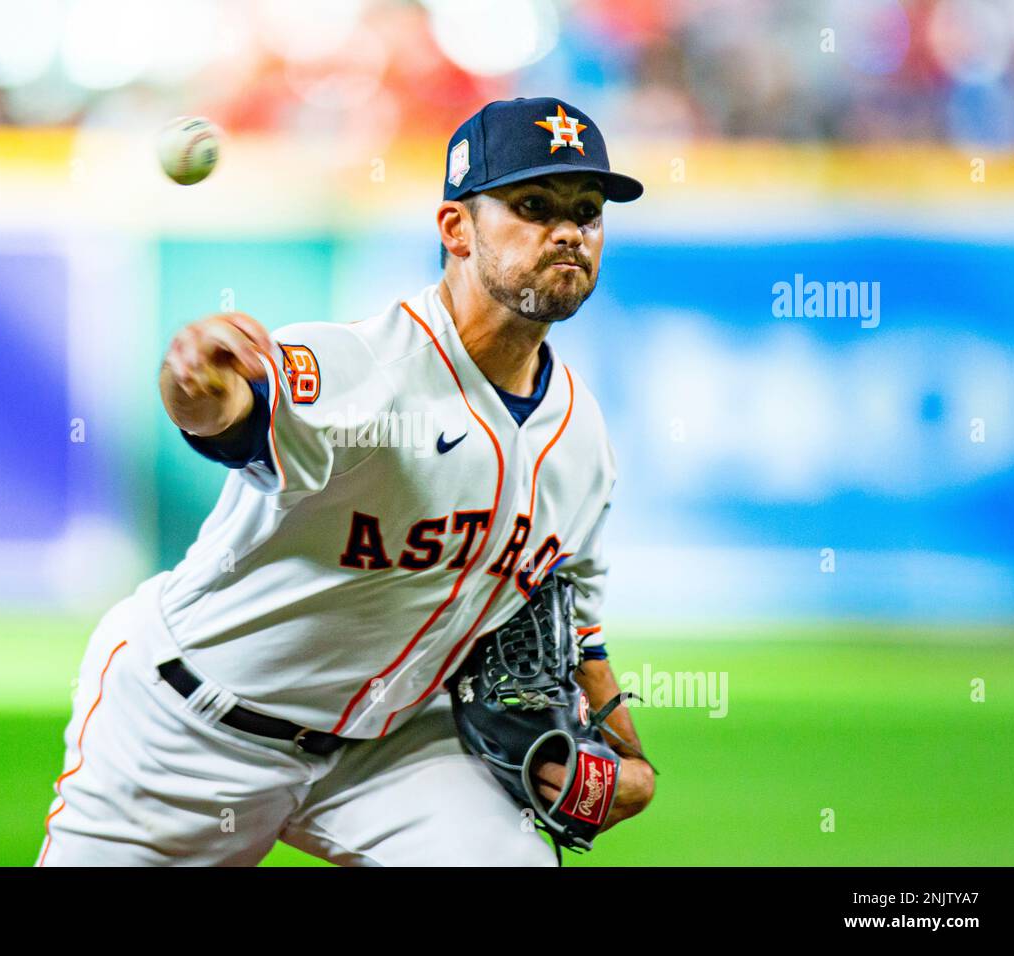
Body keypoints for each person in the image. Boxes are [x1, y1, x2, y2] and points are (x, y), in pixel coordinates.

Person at [38, 97, 654, 866]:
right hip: (189, 728)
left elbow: (575, 623)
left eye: (588, 212)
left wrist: (634, 762)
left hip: (391, 750)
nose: (568, 231)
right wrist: (194, 379)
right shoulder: (364, 368)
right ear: (455, 230)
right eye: (532, 206)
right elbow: (233, 416)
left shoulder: (583, 438)